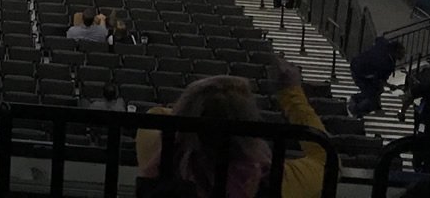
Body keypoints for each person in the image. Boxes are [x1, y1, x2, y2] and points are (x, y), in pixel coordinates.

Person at [135, 57, 327, 198]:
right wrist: (290, 93)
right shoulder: (273, 179)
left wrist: (198, 106)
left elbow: (158, 113)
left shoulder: (159, 151)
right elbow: (325, 158)